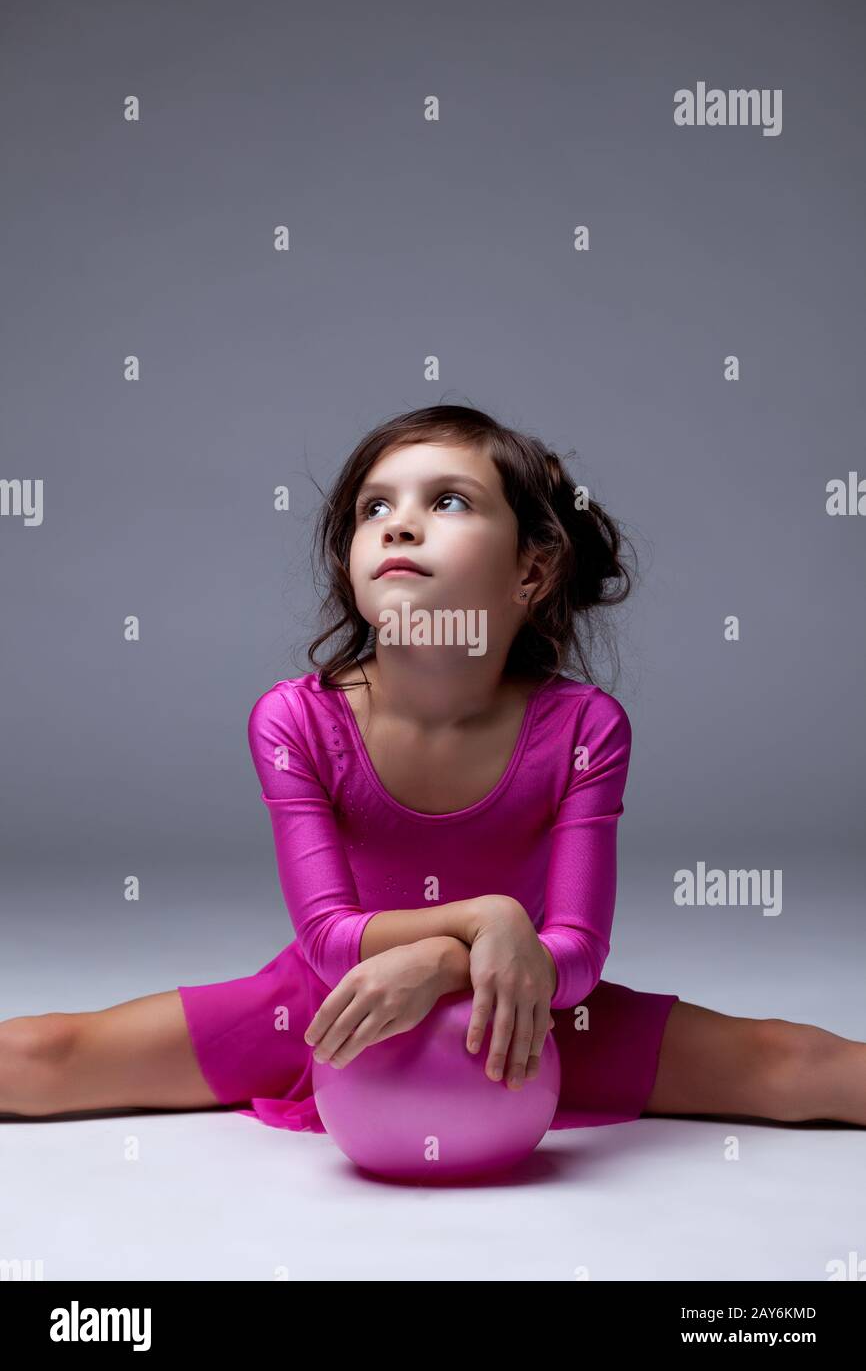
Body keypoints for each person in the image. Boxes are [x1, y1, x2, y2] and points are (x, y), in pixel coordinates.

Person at [1, 405, 862, 1131]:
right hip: (328, 1008)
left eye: (448, 501)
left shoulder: (583, 728)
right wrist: (487, 918)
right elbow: (328, 940)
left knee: (792, 1062)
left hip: (527, 1013)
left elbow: (576, 954)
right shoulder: (296, 720)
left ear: (532, 568)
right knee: (45, 1055)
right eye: (374, 507)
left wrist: (455, 963)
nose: (399, 523)